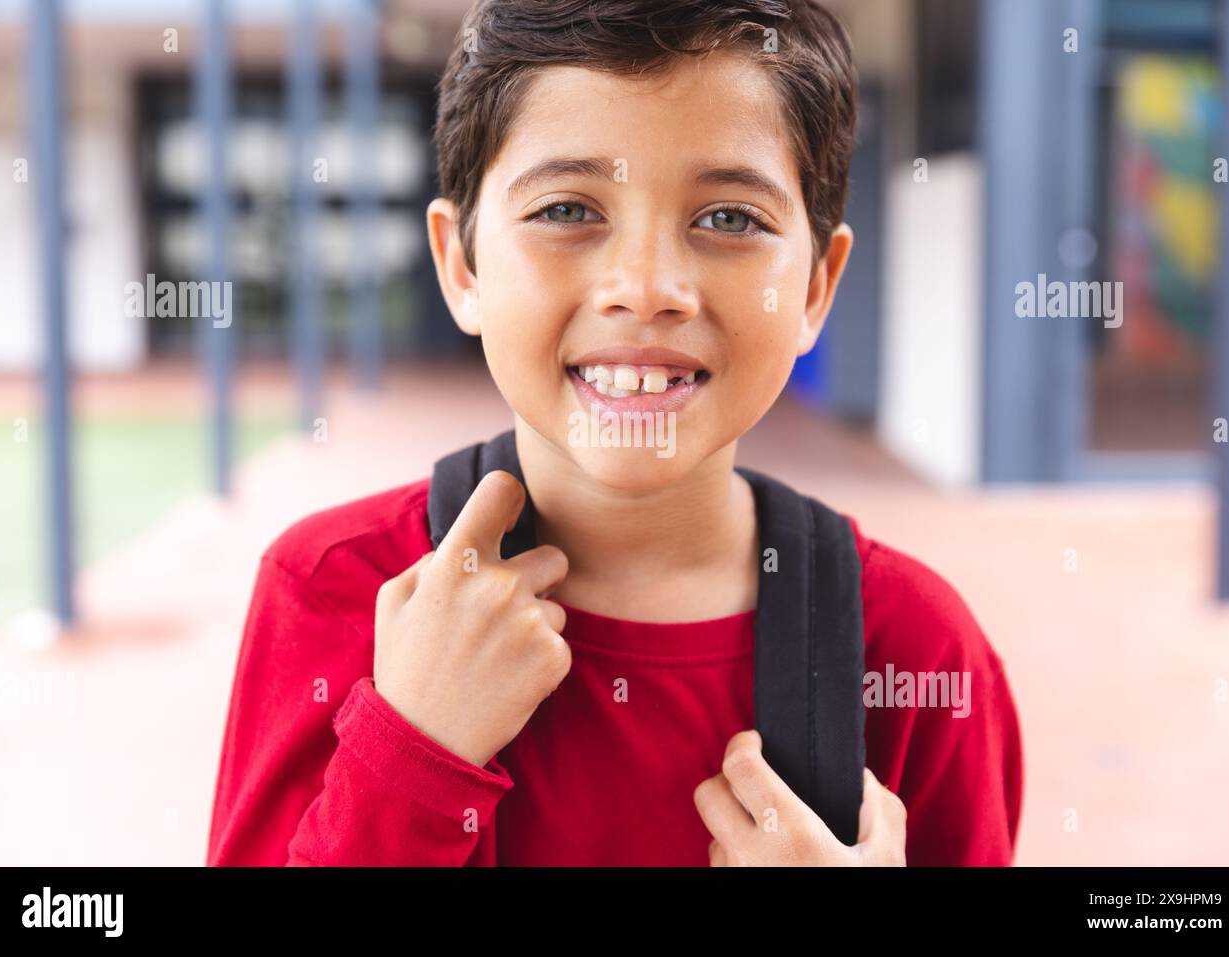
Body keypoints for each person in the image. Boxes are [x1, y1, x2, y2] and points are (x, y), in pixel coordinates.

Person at [207, 0, 1023, 867]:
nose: (646, 287)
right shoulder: (335, 589)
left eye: (730, 219)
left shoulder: (916, 649)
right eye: (567, 210)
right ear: (462, 264)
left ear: (816, 288)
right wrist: (409, 753)